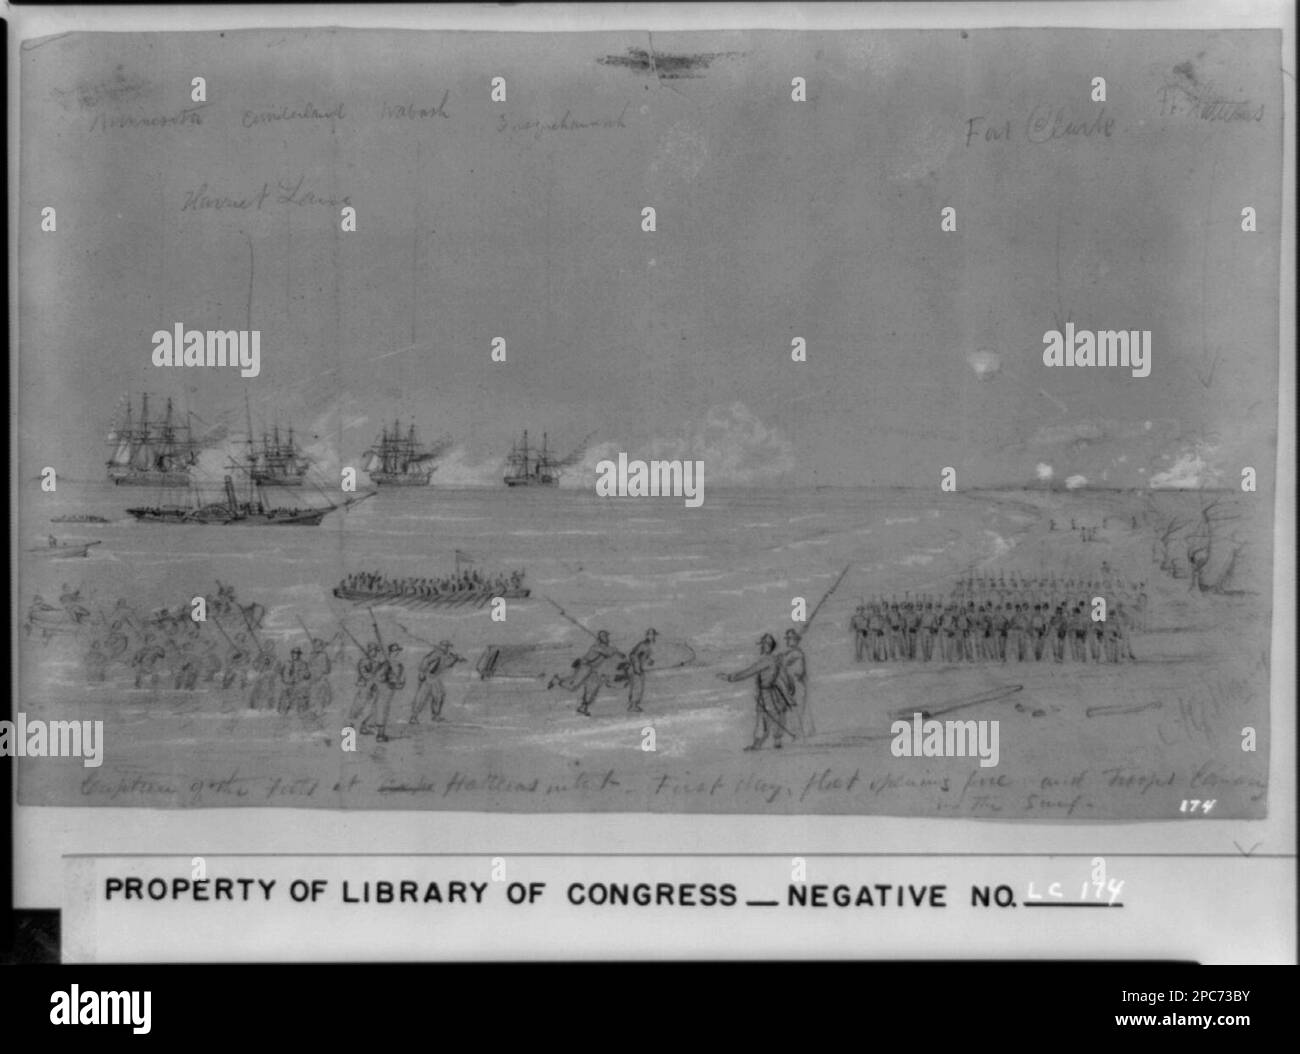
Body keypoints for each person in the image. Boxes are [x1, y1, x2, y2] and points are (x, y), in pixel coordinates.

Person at [718, 633, 794, 751]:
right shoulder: (774, 659)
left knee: (764, 717)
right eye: (763, 643)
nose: (763, 646)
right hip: (771, 693)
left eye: (766, 644)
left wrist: (729, 678)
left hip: (767, 694)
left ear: (769, 646)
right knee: (775, 715)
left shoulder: (767, 660)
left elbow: (749, 671)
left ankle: (760, 744)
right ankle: (776, 741)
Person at [547, 630, 620, 716]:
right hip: (585, 667)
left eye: (607, 637)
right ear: (600, 638)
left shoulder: (605, 647)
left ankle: (583, 708)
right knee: (572, 687)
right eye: (604, 637)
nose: (607, 638)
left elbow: (609, 652)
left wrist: (615, 651)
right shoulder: (596, 647)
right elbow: (608, 652)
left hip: (593, 670)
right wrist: (615, 650)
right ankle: (556, 680)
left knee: (592, 687)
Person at [410, 640, 462, 723]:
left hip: (435, 678)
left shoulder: (444, 655)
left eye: (448, 647)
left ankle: (436, 716)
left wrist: (455, 659)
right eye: (446, 646)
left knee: (440, 695)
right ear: (441, 646)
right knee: (422, 697)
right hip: (429, 677)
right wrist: (422, 672)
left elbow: (446, 664)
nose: (447, 648)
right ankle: (414, 717)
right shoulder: (436, 654)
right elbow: (425, 661)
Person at [778, 628, 811, 737]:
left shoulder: (797, 653)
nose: (788, 641)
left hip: (797, 684)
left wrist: (786, 662)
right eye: (787, 638)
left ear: (795, 640)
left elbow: (800, 671)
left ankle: (800, 733)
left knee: (799, 708)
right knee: (793, 709)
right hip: (790, 684)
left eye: (790, 638)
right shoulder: (789, 653)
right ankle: (797, 732)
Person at [624, 629, 658, 713]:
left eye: (653, 635)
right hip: (635, 669)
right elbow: (633, 655)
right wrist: (636, 667)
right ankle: (632, 706)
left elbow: (643, 656)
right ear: (647, 636)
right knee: (637, 687)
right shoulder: (643, 645)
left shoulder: (648, 645)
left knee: (639, 688)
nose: (652, 636)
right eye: (650, 635)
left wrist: (649, 660)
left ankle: (634, 705)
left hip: (639, 669)